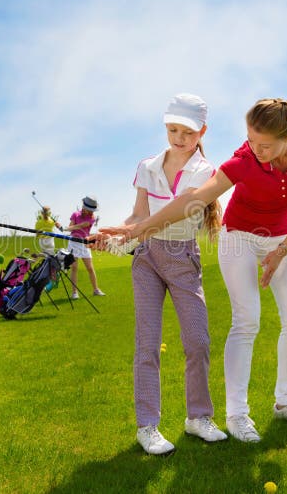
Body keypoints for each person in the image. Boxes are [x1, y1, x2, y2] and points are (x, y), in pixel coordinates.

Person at [100, 98, 287, 442]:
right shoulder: (243, 160)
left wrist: (280, 252)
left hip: (282, 238)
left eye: (264, 144)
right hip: (239, 237)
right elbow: (193, 200)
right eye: (250, 140)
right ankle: (237, 416)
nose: (255, 149)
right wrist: (137, 230)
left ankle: (286, 402)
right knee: (247, 319)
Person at [96, 93, 227, 455]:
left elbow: (178, 212)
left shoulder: (206, 172)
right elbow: (138, 216)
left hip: (183, 257)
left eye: (187, 132)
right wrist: (114, 233)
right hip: (148, 259)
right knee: (147, 344)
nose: (178, 138)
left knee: (198, 340)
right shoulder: (147, 166)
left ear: (202, 131)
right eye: (172, 129)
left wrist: (132, 232)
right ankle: (147, 426)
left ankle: (198, 418)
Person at [66, 197, 104, 298]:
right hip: (73, 243)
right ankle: (74, 293)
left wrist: (67, 228)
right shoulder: (75, 214)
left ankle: (96, 290)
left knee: (90, 268)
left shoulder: (92, 218)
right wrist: (67, 228)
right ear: (84, 207)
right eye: (90, 209)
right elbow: (71, 226)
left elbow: (82, 225)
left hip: (84, 243)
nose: (91, 211)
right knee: (74, 268)